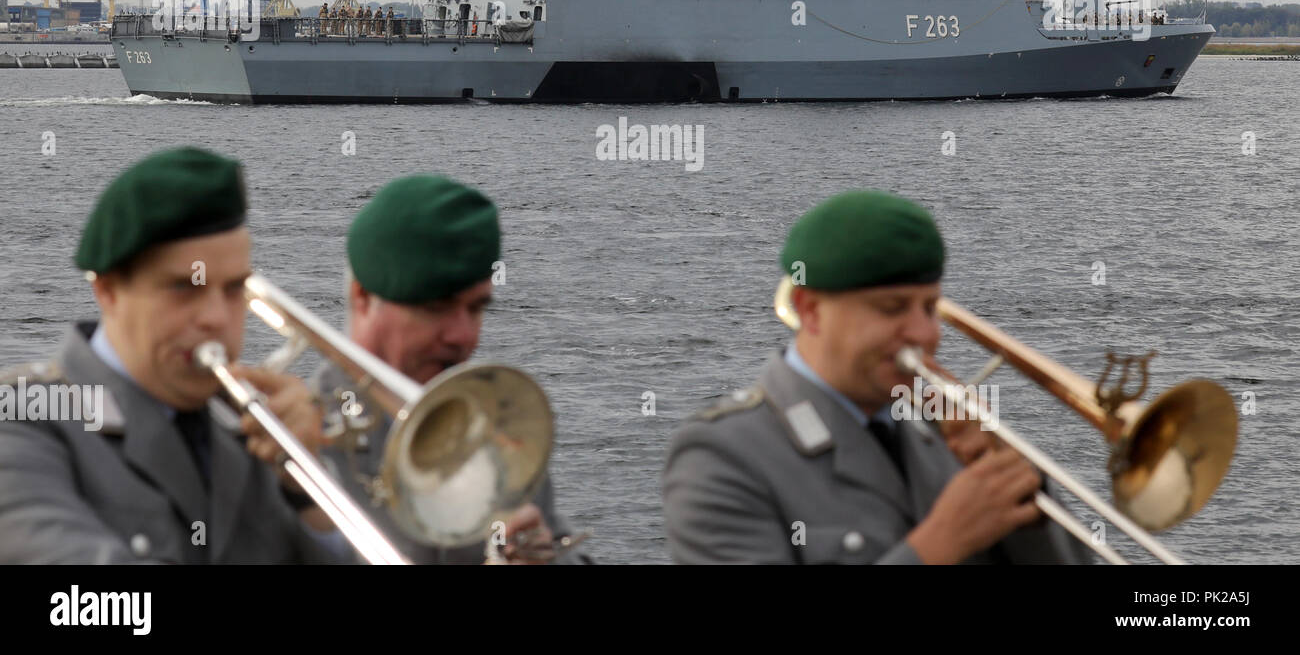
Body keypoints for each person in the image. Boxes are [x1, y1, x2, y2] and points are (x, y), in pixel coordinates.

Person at [662, 189, 1096, 565]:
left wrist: (1021, 489)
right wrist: (937, 545)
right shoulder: (723, 456)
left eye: (930, 308)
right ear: (811, 310)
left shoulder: (948, 435)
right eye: (892, 309)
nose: (925, 334)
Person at [0, 147, 341, 564]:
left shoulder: (253, 432)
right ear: (107, 290)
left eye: (235, 289)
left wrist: (308, 489)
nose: (216, 318)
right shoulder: (22, 418)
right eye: (184, 288)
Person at [314, 175, 590, 565]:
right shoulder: (299, 438)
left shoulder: (496, 424)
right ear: (363, 297)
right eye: (436, 307)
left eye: (477, 308)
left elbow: (564, 545)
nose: (464, 336)